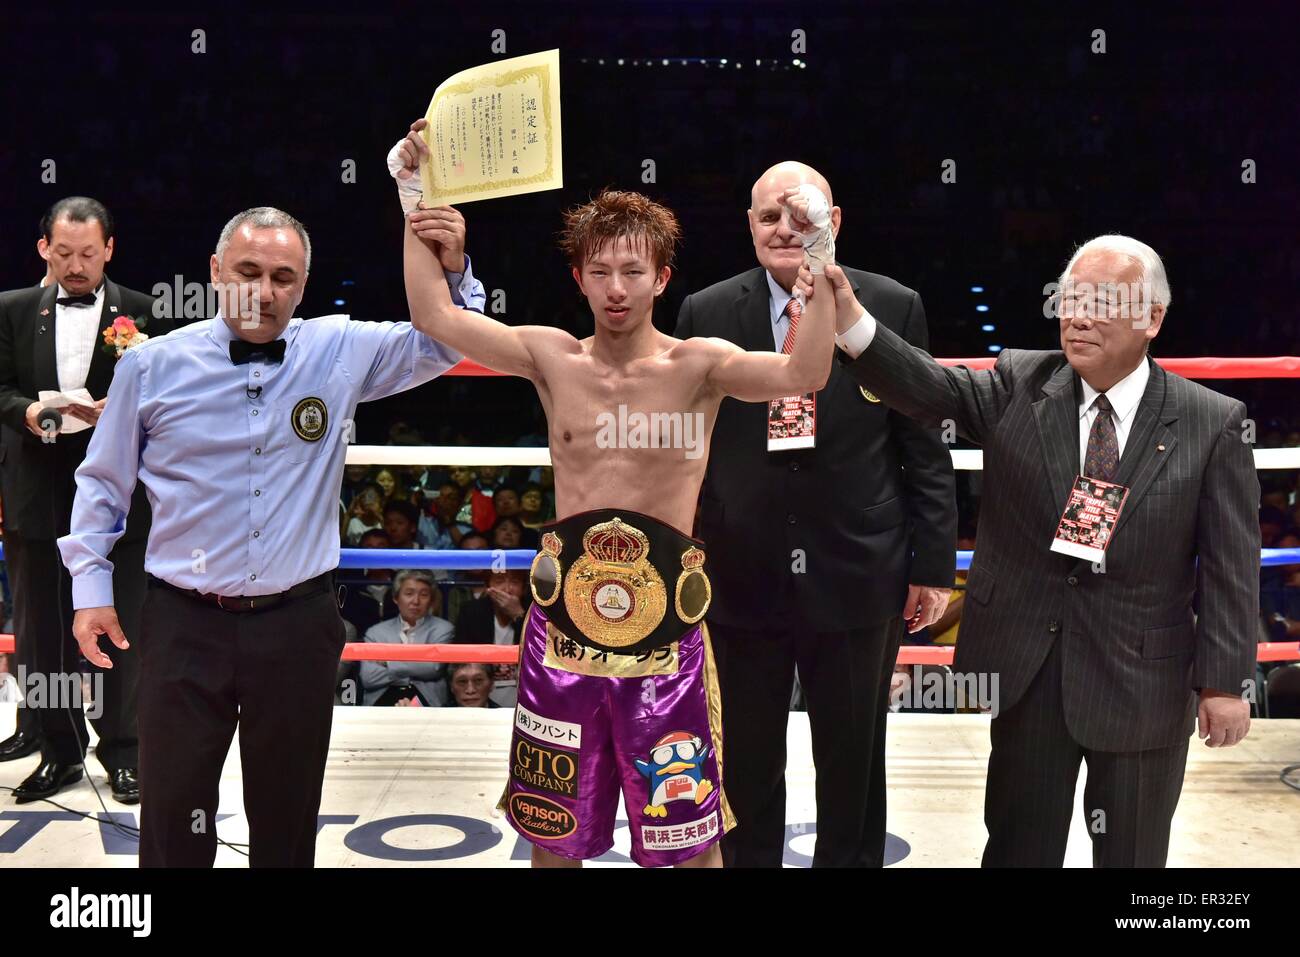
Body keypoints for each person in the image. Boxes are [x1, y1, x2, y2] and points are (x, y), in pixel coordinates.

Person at [393, 116, 837, 868]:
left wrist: (819, 255)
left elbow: (805, 374)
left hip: (667, 642)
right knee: (551, 828)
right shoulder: (551, 357)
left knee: (688, 834)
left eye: (633, 271)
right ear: (579, 278)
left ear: (663, 279)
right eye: (600, 270)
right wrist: (412, 195)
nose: (616, 287)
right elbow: (434, 315)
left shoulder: (700, 364)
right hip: (562, 634)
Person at [58, 204, 486, 867]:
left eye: (283, 276)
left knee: (287, 819)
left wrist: (453, 266)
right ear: (214, 271)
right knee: (174, 816)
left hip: (296, 624)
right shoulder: (153, 366)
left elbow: (446, 343)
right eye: (248, 271)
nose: (264, 291)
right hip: (182, 623)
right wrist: (91, 588)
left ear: (304, 284)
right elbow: (102, 484)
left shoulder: (336, 348)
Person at [819, 234, 1258, 867]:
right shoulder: (1021, 382)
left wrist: (1225, 682)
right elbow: (927, 387)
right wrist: (853, 324)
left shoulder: (1210, 420)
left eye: (1103, 301)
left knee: (1134, 860)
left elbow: (1231, 566)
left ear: (1152, 319)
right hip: (1032, 672)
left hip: (1144, 679)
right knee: (1020, 851)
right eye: (1071, 297)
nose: (1078, 315)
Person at [674, 162, 957, 867]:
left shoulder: (890, 305)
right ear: (749, 225)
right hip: (739, 571)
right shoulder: (705, 313)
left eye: (803, 216)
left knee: (854, 761)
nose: (785, 229)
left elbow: (924, 445)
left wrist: (933, 565)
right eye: (771, 215)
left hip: (860, 567)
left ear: (834, 222)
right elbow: (687, 450)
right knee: (743, 759)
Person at [0, 197, 175, 804]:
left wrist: (124, 412)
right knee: (41, 628)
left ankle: (126, 751)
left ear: (109, 249)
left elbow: (174, 397)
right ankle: (58, 751)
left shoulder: (148, 313)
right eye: (65, 253)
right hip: (36, 482)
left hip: (119, 487)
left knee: (122, 619)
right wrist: (27, 410)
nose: (77, 266)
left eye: (89, 254)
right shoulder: (13, 310)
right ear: (44, 248)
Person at [360, 569, 453, 706]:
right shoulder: (375, 633)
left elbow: (433, 668)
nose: (415, 601)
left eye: (424, 595)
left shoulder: (443, 629)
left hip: (427, 701)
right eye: (409, 593)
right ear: (396, 598)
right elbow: (369, 678)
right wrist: (416, 668)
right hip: (381, 701)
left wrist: (388, 661)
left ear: (431, 600)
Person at [454, 569, 529, 707]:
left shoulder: (534, 611)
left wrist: (519, 616)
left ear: (524, 589)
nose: (507, 589)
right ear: (488, 587)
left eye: (515, 582)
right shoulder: (471, 612)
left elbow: (540, 649)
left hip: (523, 690)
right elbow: (460, 661)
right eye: (499, 581)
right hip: (481, 689)